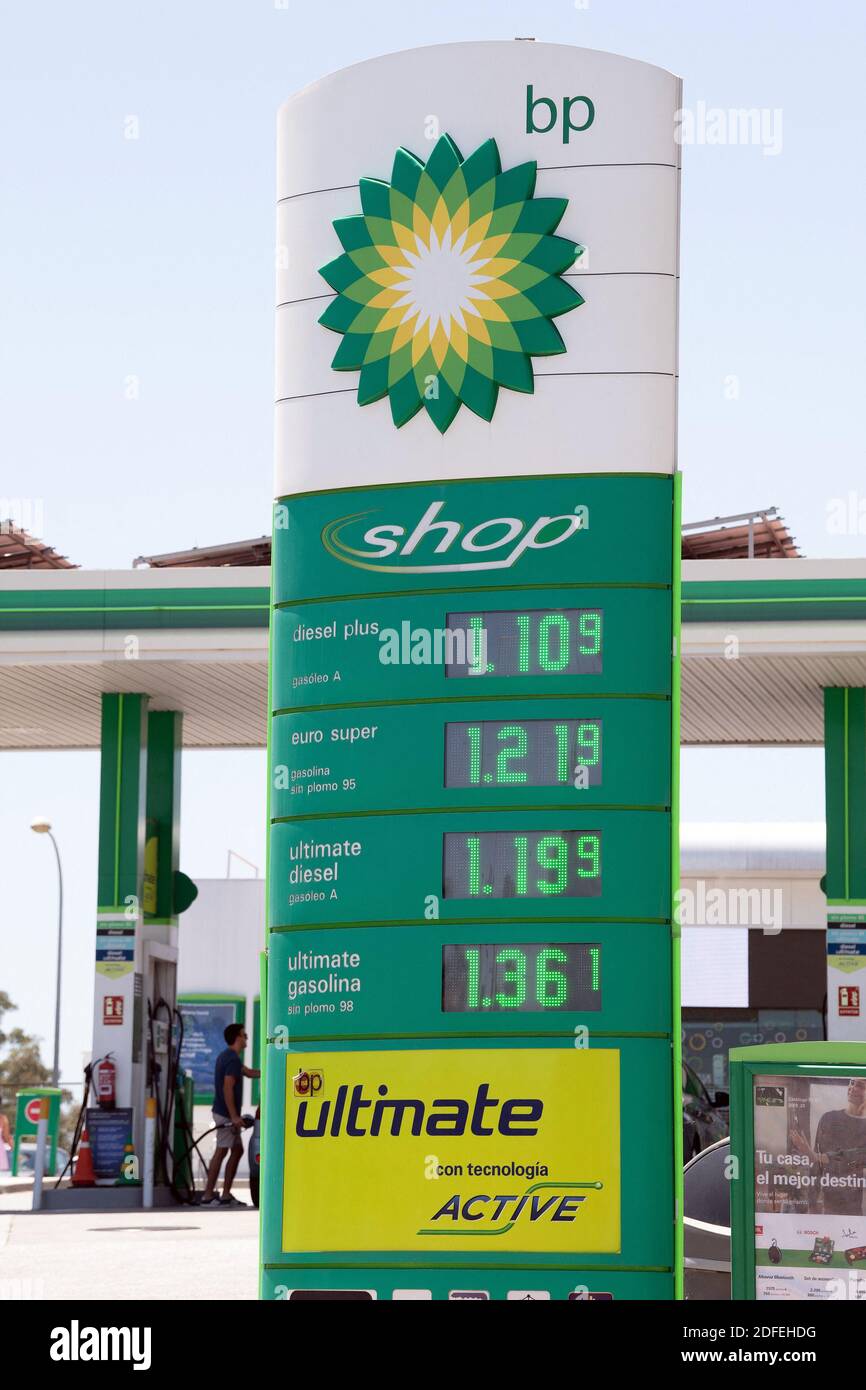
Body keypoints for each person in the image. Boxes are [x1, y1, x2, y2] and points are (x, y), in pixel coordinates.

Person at [200, 1022, 260, 1208]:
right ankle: (208, 1196)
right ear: (237, 1038)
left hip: (224, 1113)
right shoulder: (231, 1059)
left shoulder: (229, 1057)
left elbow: (249, 1073)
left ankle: (225, 1194)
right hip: (226, 1115)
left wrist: (274, 1070)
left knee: (237, 1150)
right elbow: (228, 1087)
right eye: (244, 1035)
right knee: (221, 1152)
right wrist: (234, 1117)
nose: (247, 1038)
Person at [791, 1076, 866, 1216]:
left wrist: (818, 1156)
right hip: (828, 1206)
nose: (853, 1088)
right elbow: (816, 1167)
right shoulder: (829, 1118)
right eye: (852, 1083)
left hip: (855, 1209)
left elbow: (857, 1156)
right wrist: (812, 1204)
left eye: (860, 1086)